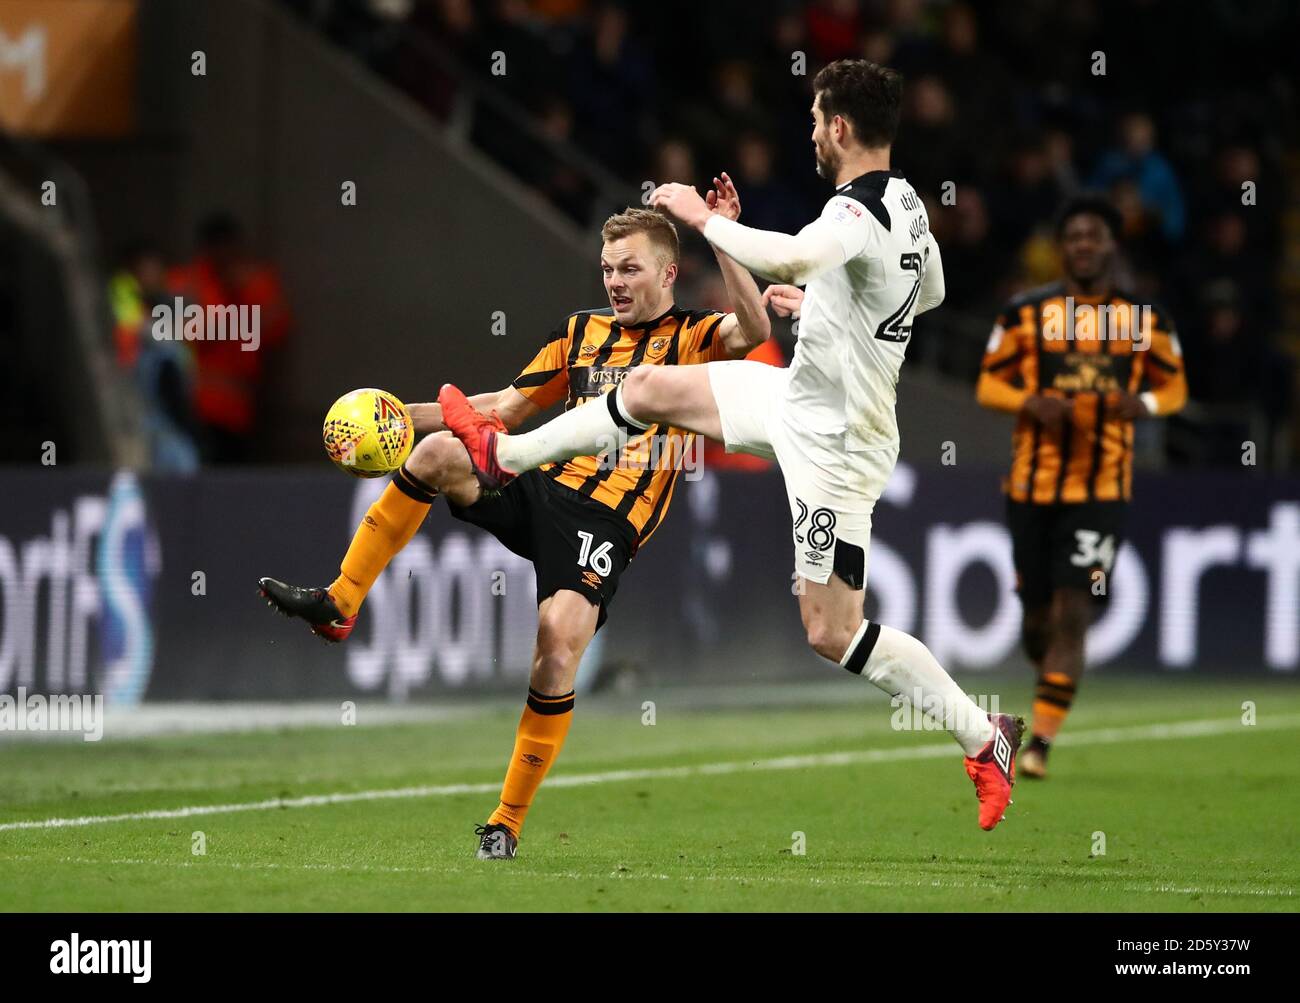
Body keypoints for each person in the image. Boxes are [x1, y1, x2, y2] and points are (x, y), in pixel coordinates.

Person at [441, 59, 1024, 831]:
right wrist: (826, 303)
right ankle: (504, 454)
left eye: (817, 120)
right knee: (647, 389)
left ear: (839, 127)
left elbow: (788, 255)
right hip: (795, 396)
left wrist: (699, 216)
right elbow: (932, 290)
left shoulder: (858, 210)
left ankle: (986, 738)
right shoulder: (908, 204)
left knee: (831, 629)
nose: (811, 132)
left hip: (836, 441)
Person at [259, 200, 770, 859]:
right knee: (439, 452)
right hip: (541, 481)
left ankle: (504, 823)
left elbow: (753, 325)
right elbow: (502, 408)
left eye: (630, 269)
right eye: (608, 268)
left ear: (669, 274)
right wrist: (392, 416)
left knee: (557, 646)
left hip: (607, 521)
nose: (614, 281)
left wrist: (715, 232)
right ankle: (340, 602)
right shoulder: (580, 333)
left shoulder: (694, 336)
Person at [975, 196, 1187, 777]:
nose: (1084, 245)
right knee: (1038, 622)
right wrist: (1029, 401)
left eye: (1095, 235)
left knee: (1075, 610)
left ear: (1111, 244)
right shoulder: (1024, 313)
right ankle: (1045, 684)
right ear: (1063, 247)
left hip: (1102, 492)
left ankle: (1039, 743)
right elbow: (989, 387)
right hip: (1030, 489)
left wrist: (1139, 402)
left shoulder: (1144, 321)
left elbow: (1174, 389)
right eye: (1074, 237)